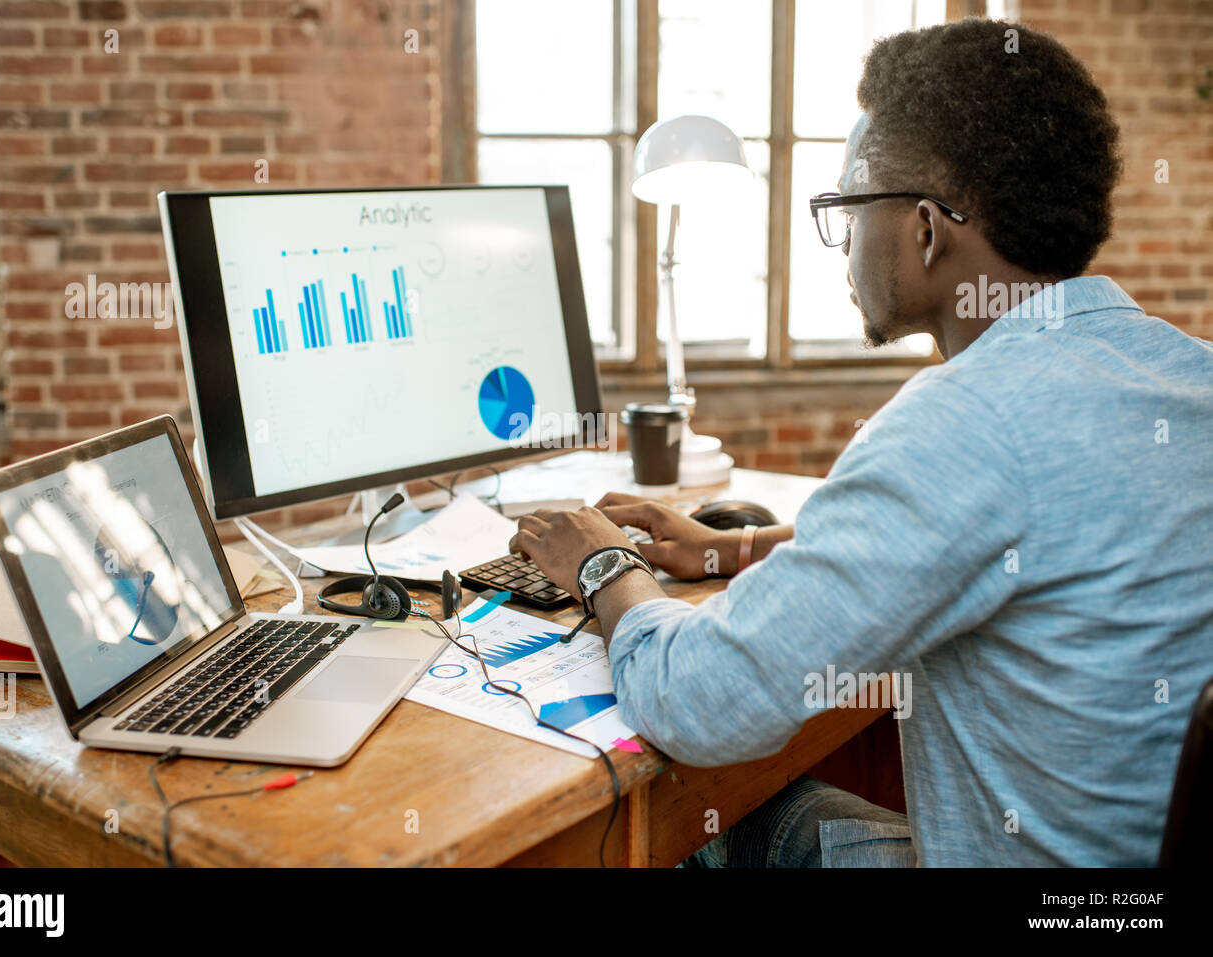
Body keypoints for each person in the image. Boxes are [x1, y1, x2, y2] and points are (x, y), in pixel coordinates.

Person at [507, 18, 1213, 866]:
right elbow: (1033, 537)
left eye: (846, 209)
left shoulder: (963, 420)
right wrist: (737, 551)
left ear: (924, 227)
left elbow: (696, 698)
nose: (842, 245)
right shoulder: (1183, 373)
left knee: (707, 824)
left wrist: (602, 564)